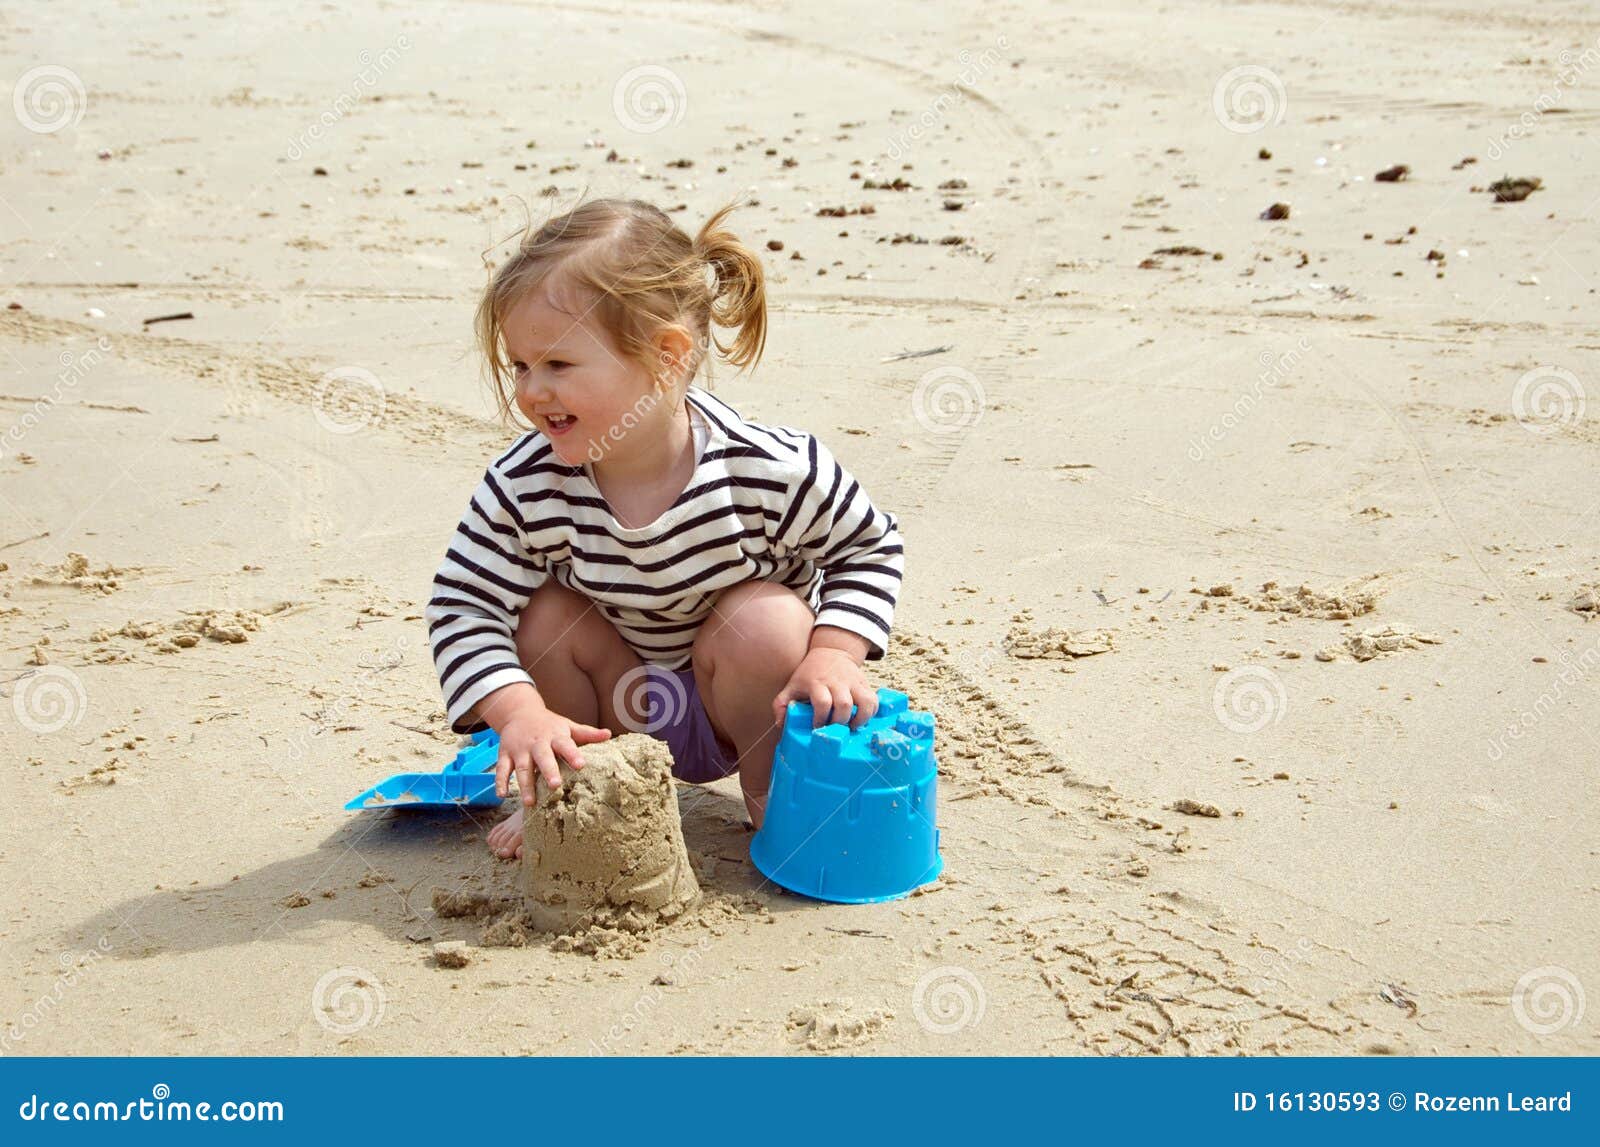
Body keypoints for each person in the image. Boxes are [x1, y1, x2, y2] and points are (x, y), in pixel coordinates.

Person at [425, 197, 905, 859]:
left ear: (667, 356)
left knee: (766, 622)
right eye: (521, 366)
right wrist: (518, 713)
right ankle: (574, 795)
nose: (532, 392)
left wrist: (834, 652)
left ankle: (776, 806)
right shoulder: (525, 484)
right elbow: (462, 604)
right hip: (615, 708)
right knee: (540, 616)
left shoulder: (767, 467)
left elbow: (868, 547)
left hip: (741, 705)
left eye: (558, 365)